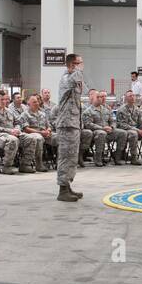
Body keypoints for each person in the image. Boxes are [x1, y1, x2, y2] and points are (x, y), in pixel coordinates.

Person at [55, 54, 85, 201]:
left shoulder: (74, 78)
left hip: (73, 124)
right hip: (66, 124)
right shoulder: (66, 78)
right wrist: (77, 70)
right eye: (79, 63)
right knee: (66, 157)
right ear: (72, 65)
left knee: (72, 157)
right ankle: (62, 190)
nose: (82, 66)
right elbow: (75, 79)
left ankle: (68, 186)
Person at [114, 91, 142, 166]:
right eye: (130, 96)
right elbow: (121, 125)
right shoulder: (121, 110)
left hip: (138, 131)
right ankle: (134, 157)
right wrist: (138, 130)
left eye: (133, 95)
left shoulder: (137, 109)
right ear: (126, 98)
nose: (132, 97)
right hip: (126, 131)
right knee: (134, 134)